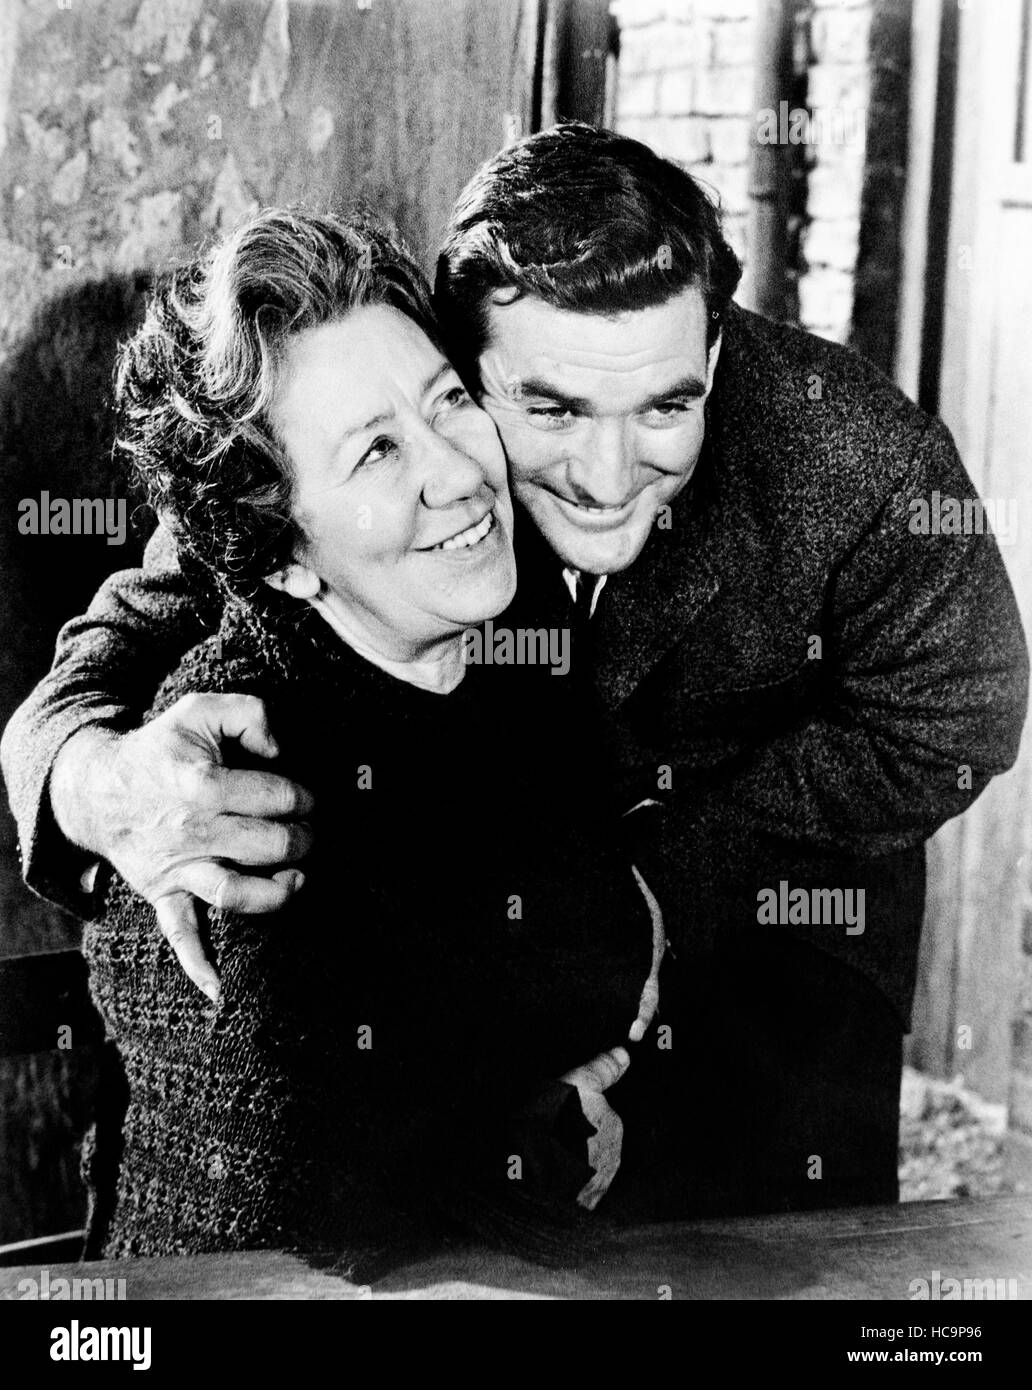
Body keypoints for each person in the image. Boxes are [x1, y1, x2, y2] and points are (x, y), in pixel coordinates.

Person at [3, 124, 1027, 1218]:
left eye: (667, 410)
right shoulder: (396, 386)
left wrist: (656, 871)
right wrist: (94, 784)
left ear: (717, 355)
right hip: (502, 949)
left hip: (775, 948)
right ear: (464, 350)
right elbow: (129, 634)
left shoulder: (863, 459)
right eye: (546, 409)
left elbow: (963, 713)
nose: (605, 475)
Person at [64, 207, 664, 1269]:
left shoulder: (514, 632)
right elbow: (303, 1219)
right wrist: (526, 1136)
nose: (460, 471)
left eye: (446, 403)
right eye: (378, 452)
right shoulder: (228, 783)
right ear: (285, 555)